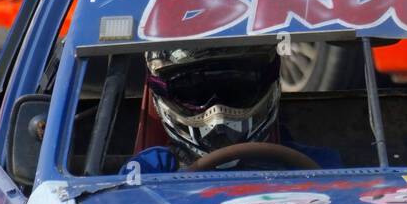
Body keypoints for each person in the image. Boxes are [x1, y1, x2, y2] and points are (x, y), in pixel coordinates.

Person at [128, 46, 341, 174]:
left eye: (234, 86)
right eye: (194, 89)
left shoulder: (316, 165)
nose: (217, 110)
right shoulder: (152, 168)